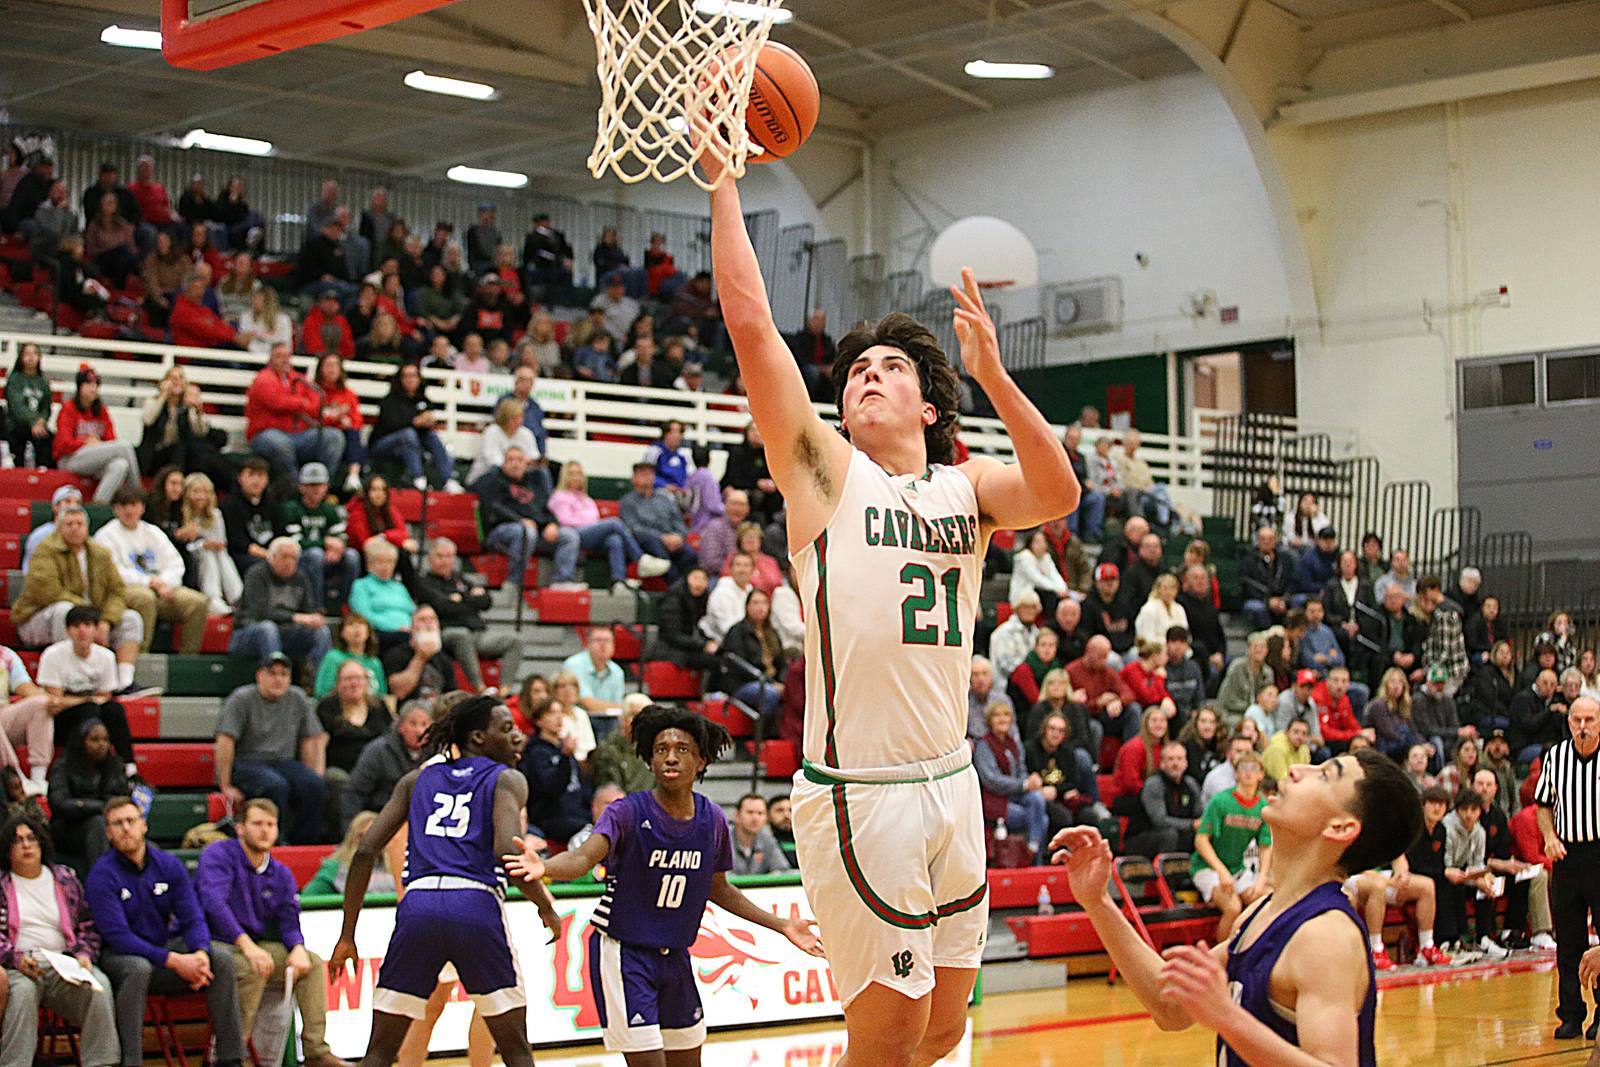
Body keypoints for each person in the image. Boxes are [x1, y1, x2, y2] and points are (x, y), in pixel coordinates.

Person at [711, 156, 1078, 1066]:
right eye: (856, 373)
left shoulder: (968, 489)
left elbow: (1058, 491)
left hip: (951, 780)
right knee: (888, 1037)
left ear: (930, 403)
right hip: (859, 792)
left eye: (892, 367)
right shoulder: (826, 474)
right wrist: (723, 182)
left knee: (944, 1031)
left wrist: (994, 375)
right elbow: (752, 327)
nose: (868, 378)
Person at [1054, 743, 1422, 1062]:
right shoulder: (1262, 912)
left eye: (1323, 775)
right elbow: (1169, 1008)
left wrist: (1227, 1018)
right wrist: (1097, 902)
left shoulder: (1326, 935)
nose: (1296, 770)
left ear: (1339, 827)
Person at [504, 704, 820, 1060]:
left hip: (676, 956)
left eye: (682, 749)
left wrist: (781, 924)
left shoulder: (713, 819)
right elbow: (582, 858)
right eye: (661, 750)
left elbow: (719, 888)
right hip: (625, 953)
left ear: (700, 762)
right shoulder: (626, 812)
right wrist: (545, 866)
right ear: (650, 761)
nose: (670, 757)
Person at [88, 796, 246, 1067]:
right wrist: (174, 960)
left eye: (131, 821)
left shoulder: (168, 865)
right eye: (117, 823)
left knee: (221, 959)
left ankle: (230, 1059)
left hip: (162, 951)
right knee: (137, 969)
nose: (126, 828)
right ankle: (131, 1062)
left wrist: (199, 953)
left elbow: (193, 917)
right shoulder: (101, 875)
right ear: (108, 833)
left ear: (144, 825)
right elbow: (118, 937)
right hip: (119, 957)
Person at [198, 800, 349, 1067]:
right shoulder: (218, 854)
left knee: (312, 963)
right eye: (257, 824)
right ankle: (234, 1054)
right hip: (212, 943)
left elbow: (289, 919)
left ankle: (316, 1052)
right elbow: (214, 905)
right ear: (240, 828)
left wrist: (297, 947)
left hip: (254, 946)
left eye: (271, 824)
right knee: (252, 967)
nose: (265, 830)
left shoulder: (280, 872)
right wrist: (247, 946)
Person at [0, 814, 118, 1067]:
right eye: (17, 841)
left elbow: (86, 925)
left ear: (42, 843)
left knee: (99, 986)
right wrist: (16, 959)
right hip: (20, 965)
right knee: (22, 992)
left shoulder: (65, 879)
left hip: (65, 962)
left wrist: (84, 954)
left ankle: (101, 1063)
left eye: (32, 838)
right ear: (7, 850)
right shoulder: (2, 884)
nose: (26, 845)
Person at [18, 505, 147, 696]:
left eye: (79, 524)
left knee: (131, 618)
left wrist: (106, 621)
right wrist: (91, 619)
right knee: (64, 610)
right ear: (59, 528)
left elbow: (117, 591)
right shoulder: (45, 550)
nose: (75, 528)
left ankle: (124, 683)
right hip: (38, 619)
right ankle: (69, 680)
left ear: (87, 527)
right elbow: (48, 592)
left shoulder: (100, 553)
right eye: (69, 524)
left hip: (90, 618)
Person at [1534, 695, 1600, 1039]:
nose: (1583, 727)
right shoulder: (1555, 757)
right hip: (1567, 857)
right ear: (1569, 722)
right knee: (1569, 940)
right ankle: (1571, 1014)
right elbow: (1543, 805)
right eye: (1577, 720)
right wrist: (1549, 836)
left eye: (1590, 720)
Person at [214, 653, 328, 846]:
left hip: (284, 762)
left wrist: (313, 772)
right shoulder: (241, 698)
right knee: (275, 785)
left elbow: (311, 738)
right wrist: (225, 785)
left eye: (283, 674)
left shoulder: (297, 697)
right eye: (272, 673)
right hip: (247, 762)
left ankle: (305, 844)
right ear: (260, 676)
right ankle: (276, 842)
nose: (278, 679)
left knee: (313, 784)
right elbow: (225, 740)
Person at [95, 485, 209, 656]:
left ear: (142, 508)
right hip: (126, 589)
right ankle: (141, 656)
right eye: (123, 506)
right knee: (145, 598)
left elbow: (175, 563)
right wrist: (151, 582)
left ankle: (188, 657)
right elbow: (114, 571)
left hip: (162, 587)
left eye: (133, 505)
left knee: (197, 602)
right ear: (115, 509)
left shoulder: (153, 532)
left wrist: (165, 582)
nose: (129, 510)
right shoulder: (106, 535)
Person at [414, 538, 522, 692]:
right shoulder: (424, 582)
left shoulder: (459, 579)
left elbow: (486, 601)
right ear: (430, 558)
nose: (445, 561)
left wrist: (461, 598)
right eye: (440, 556)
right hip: (446, 633)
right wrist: (469, 598)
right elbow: (443, 607)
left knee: (515, 640)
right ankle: (479, 687)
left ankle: (505, 689)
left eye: (449, 556)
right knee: (461, 635)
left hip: (478, 632)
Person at [545, 460, 667, 595]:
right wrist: (588, 523)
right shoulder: (559, 496)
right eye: (572, 473)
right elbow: (565, 520)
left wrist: (588, 523)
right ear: (564, 476)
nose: (576, 477)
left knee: (614, 540)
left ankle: (618, 580)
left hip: (588, 533)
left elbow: (594, 517)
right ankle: (640, 558)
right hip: (570, 533)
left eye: (579, 474)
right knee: (614, 523)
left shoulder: (586, 499)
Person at [473, 446, 583, 595]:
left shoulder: (534, 483)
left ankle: (561, 581)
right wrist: (519, 520)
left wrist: (552, 524)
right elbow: (492, 508)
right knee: (525, 531)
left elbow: (546, 509)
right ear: (503, 463)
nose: (515, 464)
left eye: (519, 460)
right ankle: (513, 582)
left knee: (569, 535)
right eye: (510, 460)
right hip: (500, 533)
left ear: (526, 464)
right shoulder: (493, 481)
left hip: (534, 532)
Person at [1192, 751, 1274, 940]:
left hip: (1237, 868)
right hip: (1207, 868)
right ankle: (1218, 955)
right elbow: (1201, 840)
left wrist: (1261, 879)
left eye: (1253, 768)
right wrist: (1221, 871)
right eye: (1243, 768)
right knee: (1233, 907)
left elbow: (1265, 846)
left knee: (1264, 901)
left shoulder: (1262, 807)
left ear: (1261, 774)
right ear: (1236, 774)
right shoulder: (1220, 801)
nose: (1248, 772)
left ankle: (1253, 949)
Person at [228, 538, 332, 671]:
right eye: (284, 557)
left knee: (321, 632)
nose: (289, 562)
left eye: (293, 558)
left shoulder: (301, 577)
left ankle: (322, 679)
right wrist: (294, 617)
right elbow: (259, 612)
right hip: (248, 633)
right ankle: (276, 676)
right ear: (272, 557)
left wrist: (314, 618)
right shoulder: (256, 574)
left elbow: (308, 610)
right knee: (268, 628)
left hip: (286, 633)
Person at [244, 342, 342, 482]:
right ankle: (296, 486)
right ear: (270, 359)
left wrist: (296, 403)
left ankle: (322, 484)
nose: (284, 360)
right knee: (279, 443)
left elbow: (317, 402)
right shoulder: (263, 378)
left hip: (299, 434)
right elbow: (276, 402)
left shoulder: (299, 378)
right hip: (266, 433)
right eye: (279, 356)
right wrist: (302, 402)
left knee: (333, 437)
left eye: (287, 356)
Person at [369, 362, 464, 494]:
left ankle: (448, 479)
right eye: (406, 376)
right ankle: (418, 477)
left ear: (419, 378)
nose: (410, 379)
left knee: (431, 436)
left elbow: (428, 417)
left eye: (413, 376)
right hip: (382, 446)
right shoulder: (390, 401)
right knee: (408, 434)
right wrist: (414, 422)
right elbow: (390, 425)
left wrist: (428, 420)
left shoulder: (422, 399)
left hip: (408, 448)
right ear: (400, 379)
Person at [974, 702, 1051, 865]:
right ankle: (1034, 861)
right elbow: (991, 780)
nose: (1002, 719)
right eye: (997, 715)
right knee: (1041, 820)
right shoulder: (983, 745)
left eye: (1006, 715)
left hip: (1015, 795)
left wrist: (1031, 782)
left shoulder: (1013, 743)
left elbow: (1021, 771)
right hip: (994, 800)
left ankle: (1032, 847)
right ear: (989, 720)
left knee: (1037, 798)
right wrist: (1024, 784)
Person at [54, 366, 139, 504]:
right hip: (70, 459)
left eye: (95, 385)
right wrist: (86, 442)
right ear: (79, 387)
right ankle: (138, 496)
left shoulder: (101, 410)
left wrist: (98, 445)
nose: (93, 389)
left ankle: (98, 506)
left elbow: (111, 440)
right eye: (88, 384)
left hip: (94, 460)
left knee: (120, 464)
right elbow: (64, 444)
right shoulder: (68, 408)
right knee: (125, 446)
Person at [341, 703, 432, 826]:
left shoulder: (439, 753)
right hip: (381, 819)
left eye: (425, 724)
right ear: (401, 726)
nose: (419, 731)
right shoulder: (378, 750)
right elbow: (355, 792)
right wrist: (351, 830)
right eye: (413, 724)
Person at [717, 586, 787, 728]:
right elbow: (740, 665)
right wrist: (770, 683)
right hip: (743, 683)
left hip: (771, 682)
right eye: (755, 603)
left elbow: (782, 663)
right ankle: (761, 735)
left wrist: (784, 682)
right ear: (747, 606)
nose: (760, 607)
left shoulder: (772, 633)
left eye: (764, 603)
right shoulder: (737, 631)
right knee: (770, 694)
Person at [618, 461, 699, 580]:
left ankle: (691, 586)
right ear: (633, 478)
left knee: (690, 554)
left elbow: (678, 521)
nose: (647, 478)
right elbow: (633, 528)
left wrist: (678, 537)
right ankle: (677, 586)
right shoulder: (627, 502)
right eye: (642, 474)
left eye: (650, 474)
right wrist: (662, 538)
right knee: (656, 548)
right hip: (647, 544)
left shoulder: (665, 498)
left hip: (673, 541)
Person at [1124, 741, 1201, 858]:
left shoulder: (1191, 784)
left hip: (1178, 832)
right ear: (1162, 764)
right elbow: (1160, 821)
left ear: (1186, 763)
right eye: (1170, 759)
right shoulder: (1154, 784)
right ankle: (1164, 869)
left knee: (1202, 834)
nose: (1175, 763)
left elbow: (1199, 814)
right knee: (1169, 834)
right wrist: (1191, 824)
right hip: (1142, 837)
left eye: (1179, 759)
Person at [180, 472, 242, 613]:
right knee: (207, 554)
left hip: (216, 555)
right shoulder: (182, 514)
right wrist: (202, 545)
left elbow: (222, 541)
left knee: (221, 554)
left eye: (204, 492)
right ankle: (213, 598)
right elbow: (182, 546)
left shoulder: (216, 515)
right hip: (192, 557)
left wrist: (217, 544)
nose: (200, 496)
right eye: (196, 491)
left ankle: (237, 596)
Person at [220, 455, 285, 576]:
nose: (256, 480)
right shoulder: (229, 505)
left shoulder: (274, 504)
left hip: (272, 554)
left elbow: (281, 535)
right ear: (240, 478)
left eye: (260, 475)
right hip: (242, 555)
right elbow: (238, 542)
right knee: (262, 565)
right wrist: (268, 556)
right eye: (251, 475)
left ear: (267, 479)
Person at [383, 605, 458, 705]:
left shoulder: (444, 659)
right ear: (412, 628)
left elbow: (452, 696)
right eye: (422, 620)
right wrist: (420, 658)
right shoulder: (396, 654)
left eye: (433, 619)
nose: (429, 623)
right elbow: (399, 692)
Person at [5, 342, 53, 469]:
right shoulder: (15, 379)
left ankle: (44, 469)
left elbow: (46, 406)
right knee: (17, 436)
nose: (31, 357)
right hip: (17, 425)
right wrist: (33, 421)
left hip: (38, 426)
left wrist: (42, 420)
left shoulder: (43, 381)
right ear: (21, 357)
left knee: (48, 437)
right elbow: (16, 406)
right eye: (27, 354)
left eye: (34, 354)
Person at [559, 626, 625, 717]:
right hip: (578, 718)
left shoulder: (617, 671)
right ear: (587, 644)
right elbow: (587, 703)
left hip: (610, 720)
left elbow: (619, 707)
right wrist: (620, 707)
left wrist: (621, 708)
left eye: (607, 641)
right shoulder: (574, 664)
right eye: (598, 640)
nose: (603, 645)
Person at [730, 792, 792, 875]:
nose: (755, 818)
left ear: (766, 818)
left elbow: (782, 870)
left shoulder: (767, 838)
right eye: (750, 812)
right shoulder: (722, 839)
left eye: (760, 813)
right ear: (737, 815)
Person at [1263, 718, 1314, 782]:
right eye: (1296, 732)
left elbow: (1306, 774)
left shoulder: (1304, 748)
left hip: (1294, 784)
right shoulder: (1277, 749)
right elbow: (1282, 781)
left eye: (1304, 733)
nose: (1299, 737)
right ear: (1287, 732)